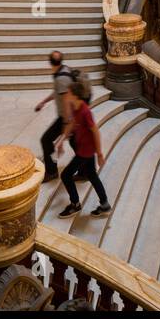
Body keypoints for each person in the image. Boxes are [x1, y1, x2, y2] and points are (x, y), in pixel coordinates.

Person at [56, 78, 110, 217]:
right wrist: (62, 139)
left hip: (85, 152)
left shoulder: (85, 111)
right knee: (92, 175)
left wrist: (100, 154)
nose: (66, 94)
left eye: (68, 92)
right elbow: (72, 124)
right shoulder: (76, 107)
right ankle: (105, 205)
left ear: (74, 94)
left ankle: (75, 204)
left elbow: (95, 131)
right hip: (84, 149)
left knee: (66, 175)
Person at [33, 51, 77, 181]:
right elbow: (57, 93)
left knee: (46, 140)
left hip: (67, 117)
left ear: (50, 62)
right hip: (71, 116)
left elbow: (65, 103)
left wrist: (65, 128)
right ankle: (86, 169)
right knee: (77, 144)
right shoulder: (64, 70)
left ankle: (51, 171)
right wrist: (43, 102)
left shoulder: (60, 79)